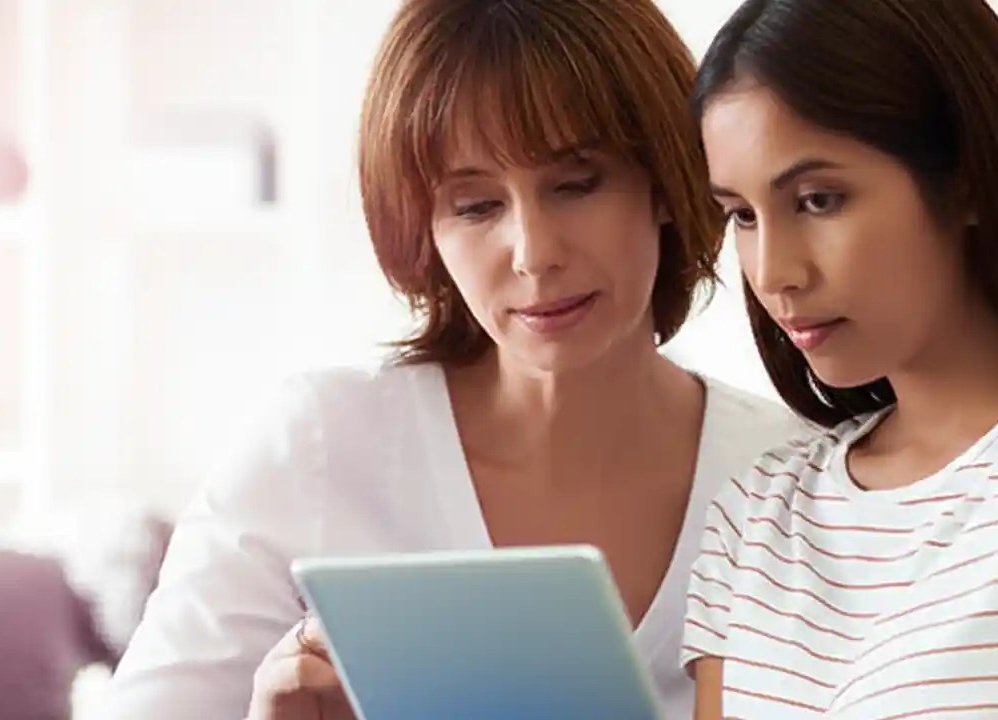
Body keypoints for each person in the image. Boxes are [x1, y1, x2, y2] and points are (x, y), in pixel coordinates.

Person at [99, 1, 796, 718]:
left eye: (576, 184)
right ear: (424, 227)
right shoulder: (317, 446)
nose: (533, 253)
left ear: (665, 181)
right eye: (474, 206)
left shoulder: (798, 480)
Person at [683, 0, 998, 718]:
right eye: (741, 214)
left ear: (968, 179)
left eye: (819, 200)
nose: (773, 272)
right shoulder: (757, 516)